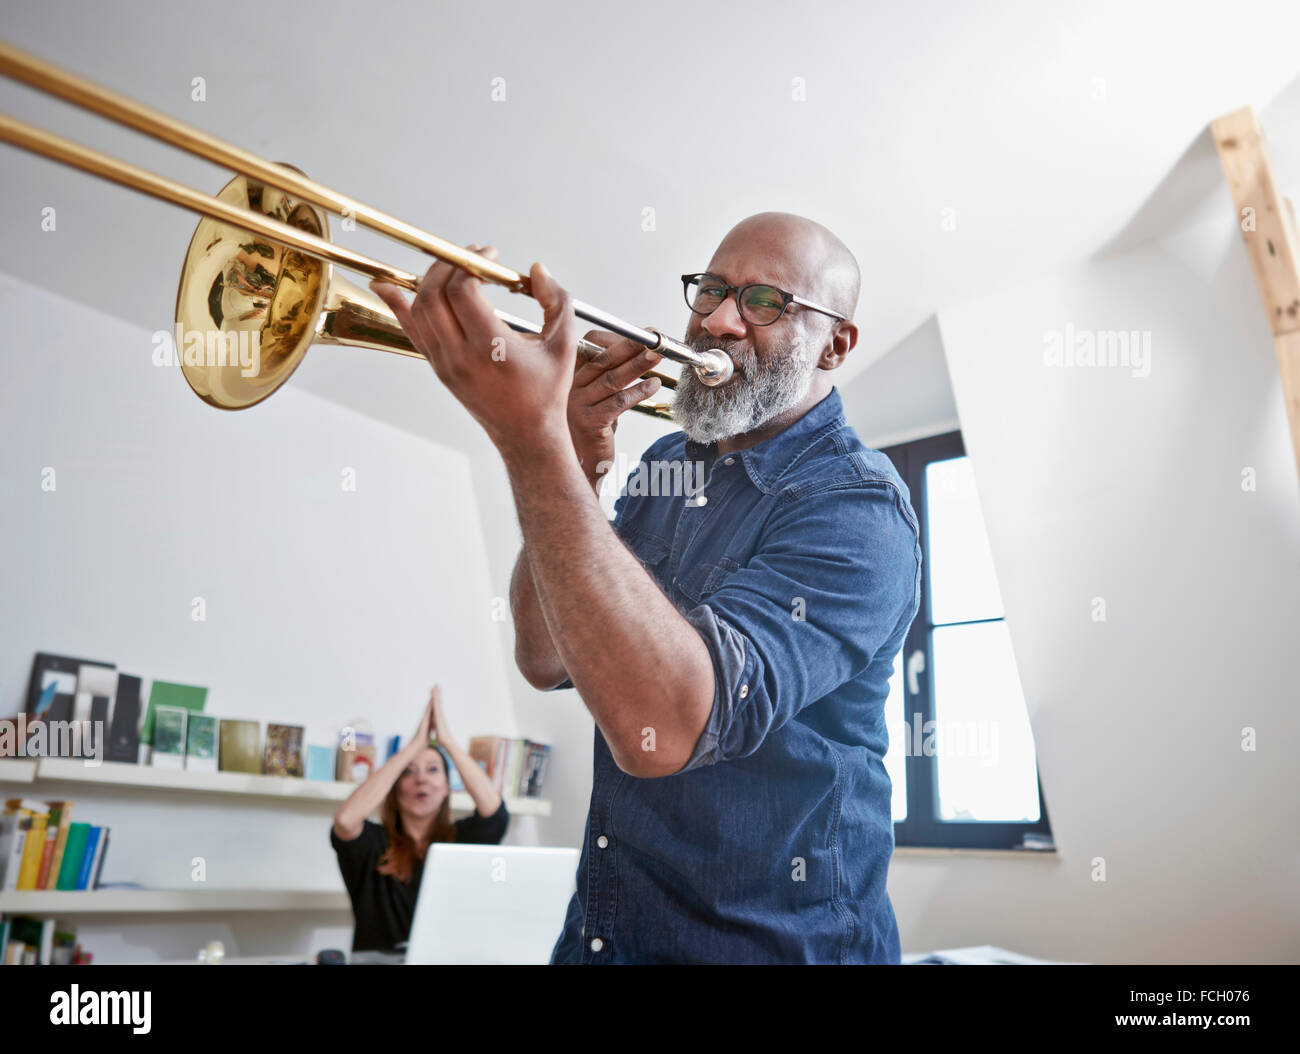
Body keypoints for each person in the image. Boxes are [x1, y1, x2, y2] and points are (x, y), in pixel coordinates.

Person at [369, 211, 922, 964]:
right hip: (605, 939)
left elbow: (664, 728)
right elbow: (544, 656)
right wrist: (576, 455)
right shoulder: (672, 463)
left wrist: (533, 444)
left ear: (837, 343)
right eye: (714, 290)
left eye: (766, 302)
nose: (721, 320)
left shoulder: (857, 507)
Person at [331, 686, 508, 954]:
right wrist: (415, 744)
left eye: (433, 770)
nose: (421, 779)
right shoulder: (372, 844)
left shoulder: (461, 841)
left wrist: (445, 740)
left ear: (447, 787)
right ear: (394, 787)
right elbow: (345, 821)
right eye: (408, 772)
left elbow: (495, 813)